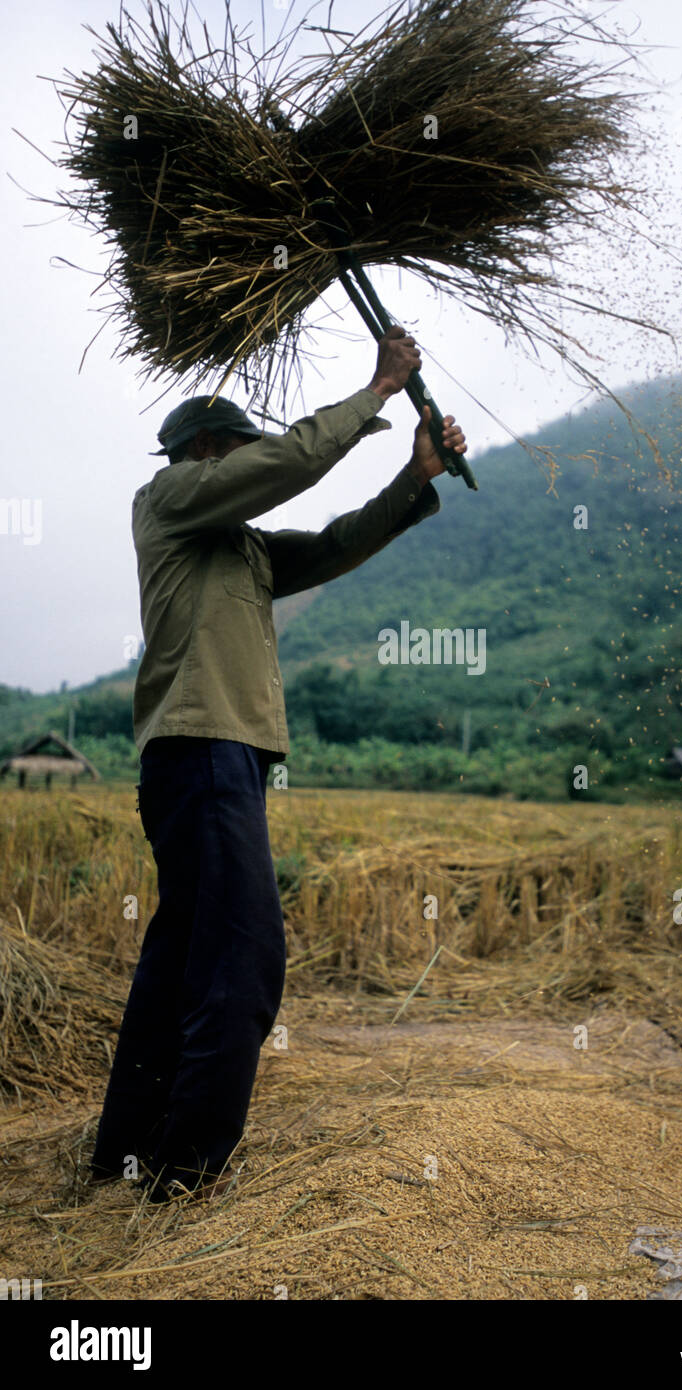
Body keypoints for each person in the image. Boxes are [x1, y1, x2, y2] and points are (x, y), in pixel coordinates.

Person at [89, 327, 467, 1202]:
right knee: (243, 957)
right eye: (239, 454)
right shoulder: (170, 498)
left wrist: (415, 476)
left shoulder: (245, 549)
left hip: (221, 760)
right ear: (209, 453)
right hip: (203, 748)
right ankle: (186, 1171)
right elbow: (288, 464)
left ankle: (130, 1149)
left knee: (183, 958)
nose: (249, 468)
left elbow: (336, 543)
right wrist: (378, 388)